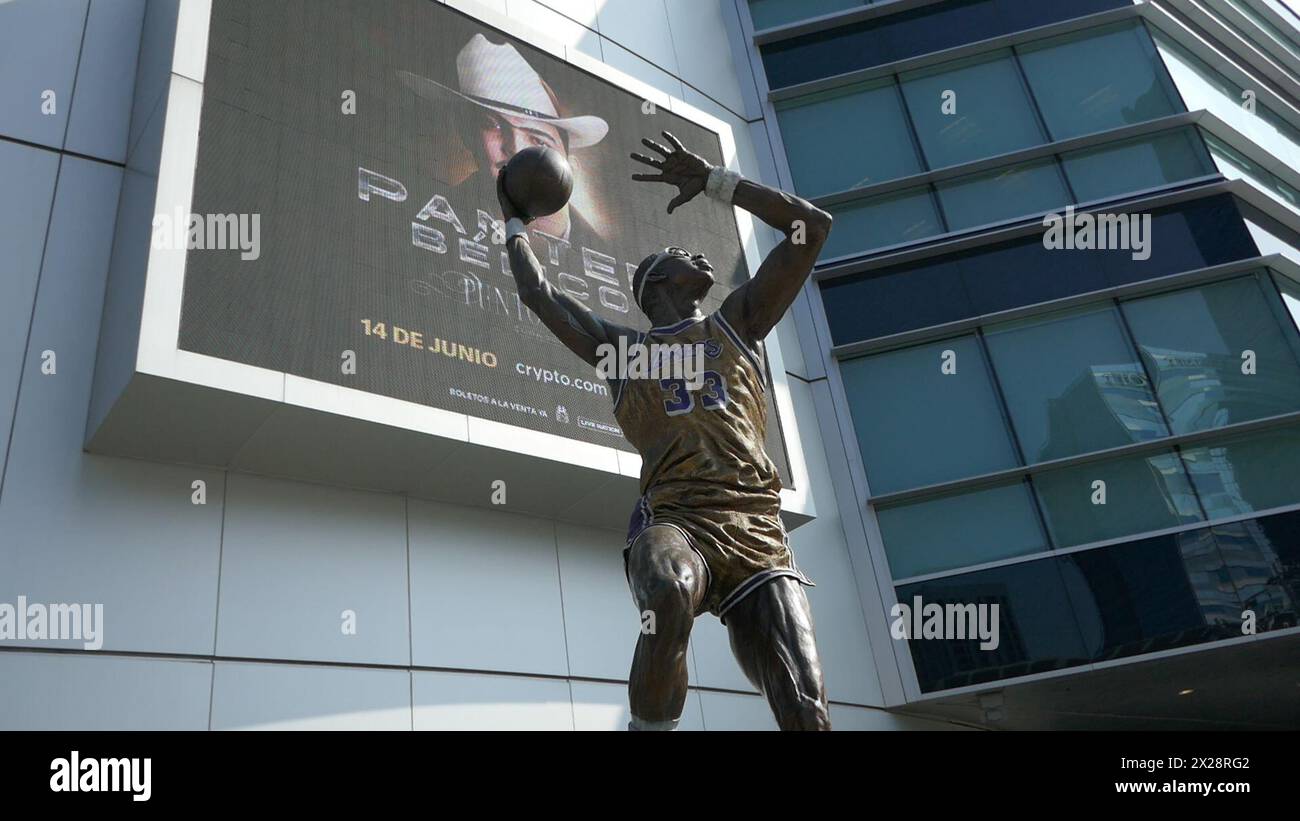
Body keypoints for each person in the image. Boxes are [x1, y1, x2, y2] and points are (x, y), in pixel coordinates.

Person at [497, 129, 835, 731]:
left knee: (807, 713)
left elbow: (810, 226)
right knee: (671, 595)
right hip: (678, 518)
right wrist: (514, 222)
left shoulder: (737, 323)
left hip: (757, 526)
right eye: (683, 255)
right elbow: (538, 293)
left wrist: (715, 181)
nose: (702, 259)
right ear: (655, 282)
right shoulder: (620, 351)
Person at [399, 33, 608, 247]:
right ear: (467, 136)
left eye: (539, 140)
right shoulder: (428, 224)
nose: (515, 149)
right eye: (494, 126)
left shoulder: (609, 255)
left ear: (570, 166)